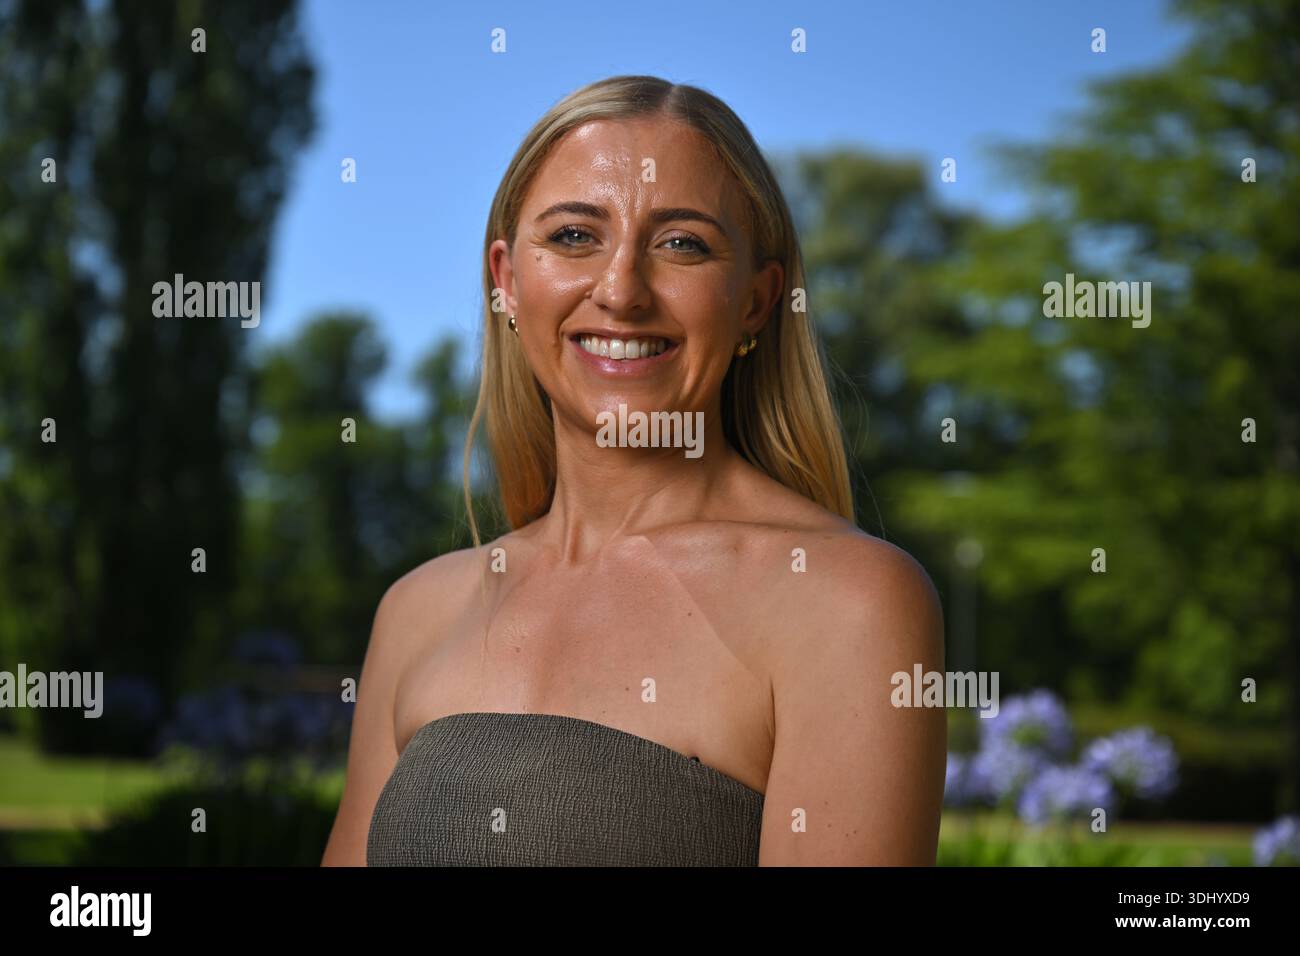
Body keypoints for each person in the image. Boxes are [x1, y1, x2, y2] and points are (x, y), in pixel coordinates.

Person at [321, 75, 945, 867]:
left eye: (682, 244)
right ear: (507, 280)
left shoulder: (847, 603)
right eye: (576, 236)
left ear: (757, 302)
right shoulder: (418, 612)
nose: (620, 291)